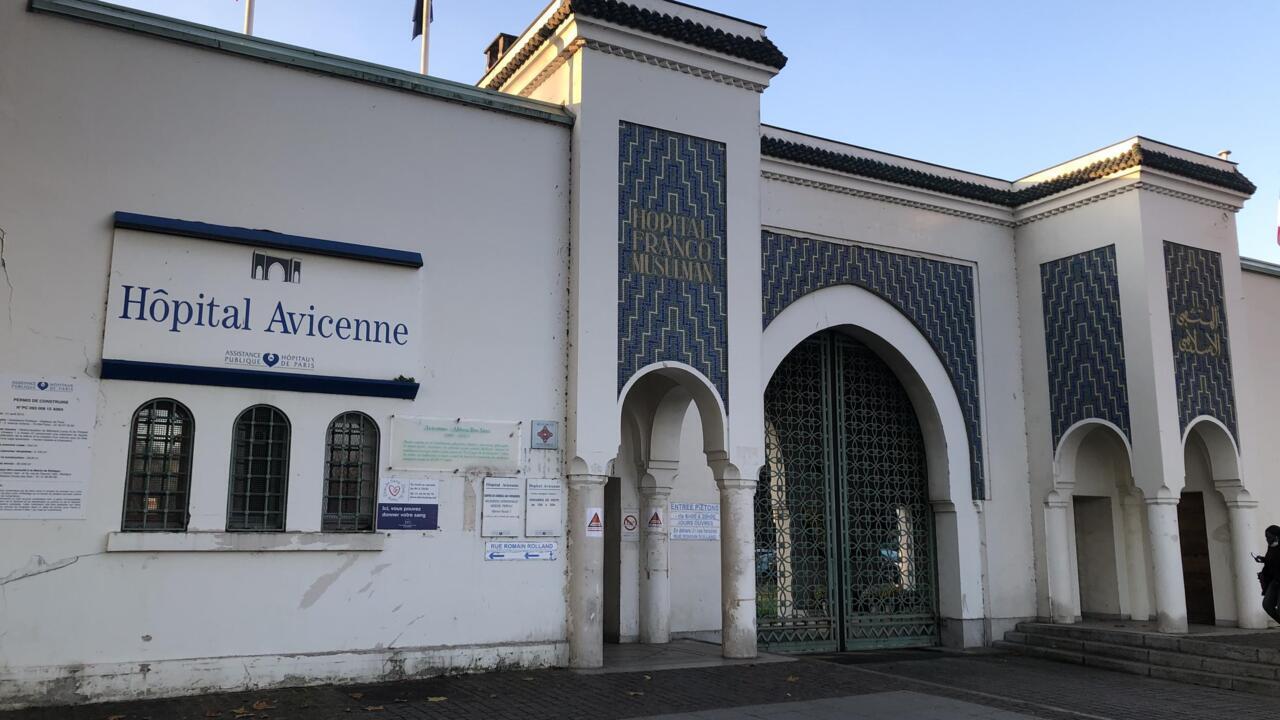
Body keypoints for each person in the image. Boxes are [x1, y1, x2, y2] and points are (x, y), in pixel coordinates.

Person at [1255, 525, 1280, 623]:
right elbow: (1271, 560)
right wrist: (1263, 559)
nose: (1267, 539)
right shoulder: (1271, 547)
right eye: (1266, 537)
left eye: (1269, 537)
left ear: (1276, 536)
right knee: (1267, 605)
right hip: (1275, 581)